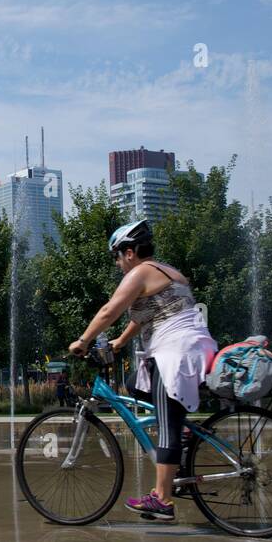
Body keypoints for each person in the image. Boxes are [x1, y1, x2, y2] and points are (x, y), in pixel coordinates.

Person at [68, 220, 217, 522]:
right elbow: (149, 313)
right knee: (137, 384)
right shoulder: (168, 271)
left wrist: (83, 341)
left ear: (131, 252)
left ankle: (162, 500)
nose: (118, 263)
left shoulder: (140, 273)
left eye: (118, 256)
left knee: (167, 426)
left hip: (175, 354)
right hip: (193, 347)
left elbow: (110, 310)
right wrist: (121, 341)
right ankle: (184, 434)